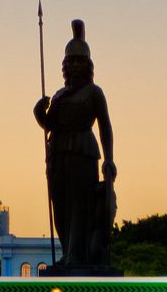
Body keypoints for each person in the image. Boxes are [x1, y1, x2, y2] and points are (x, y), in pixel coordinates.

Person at [34, 19, 117, 270]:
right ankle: (66, 250)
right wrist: (39, 112)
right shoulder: (59, 95)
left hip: (83, 150)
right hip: (58, 153)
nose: (75, 65)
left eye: (80, 61)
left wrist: (110, 158)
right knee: (61, 205)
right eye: (71, 61)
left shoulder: (94, 92)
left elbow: (105, 127)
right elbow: (50, 124)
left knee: (81, 205)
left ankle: (76, 255)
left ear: (88, 65)